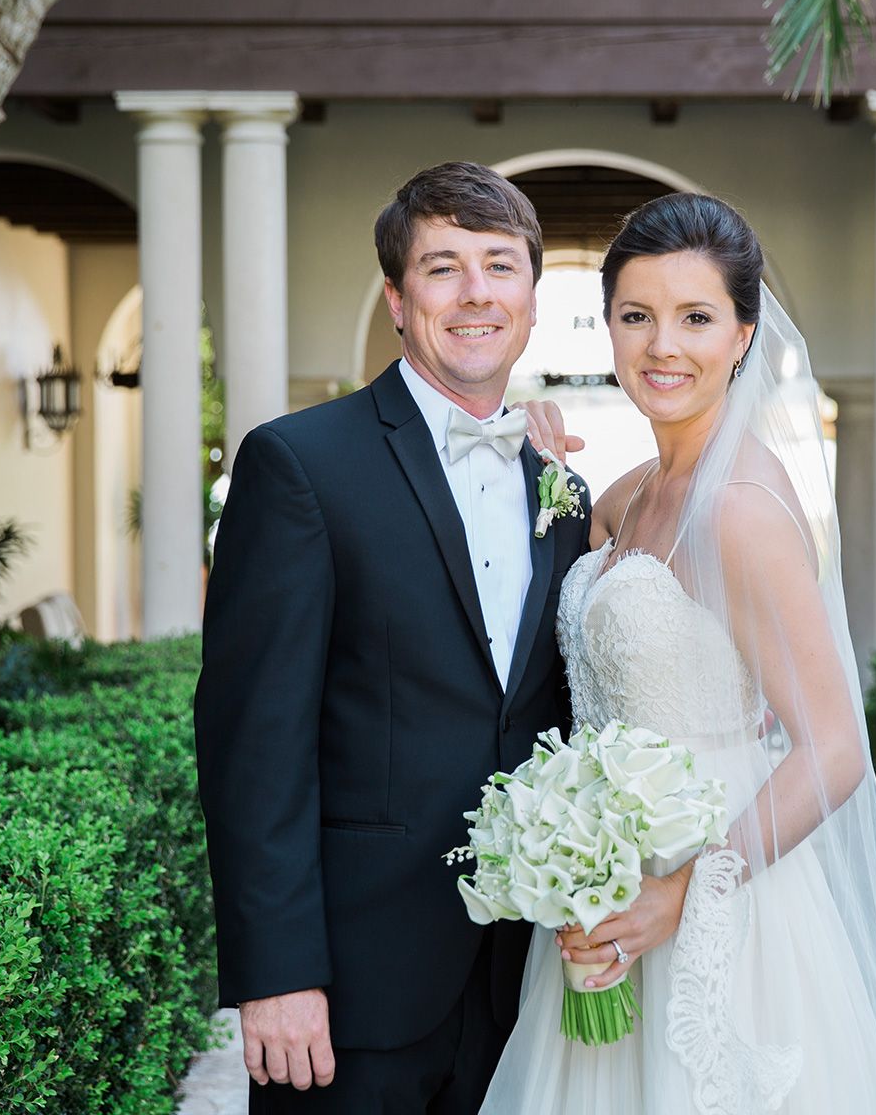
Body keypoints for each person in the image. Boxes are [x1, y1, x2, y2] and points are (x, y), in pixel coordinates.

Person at [481, 193, 876, 1114]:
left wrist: (685, 893)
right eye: (636, 317)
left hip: (728, 893)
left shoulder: (739, 509)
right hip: (607, 884)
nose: (663, 347)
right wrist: (529, 454)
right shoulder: (635, 490)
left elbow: (835, 748)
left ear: (742, 335)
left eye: (697, 318)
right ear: (607, 327)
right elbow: (560, 548)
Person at [194, 161, 591, 1114]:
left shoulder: (565, 492)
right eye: (443, 267)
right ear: (398, 300)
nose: (475, 293)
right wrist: (276, 972)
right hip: (348, 990)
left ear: (532, 298)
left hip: (526, 982)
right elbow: (253, 738)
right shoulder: (299, 462)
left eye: (500, 266)